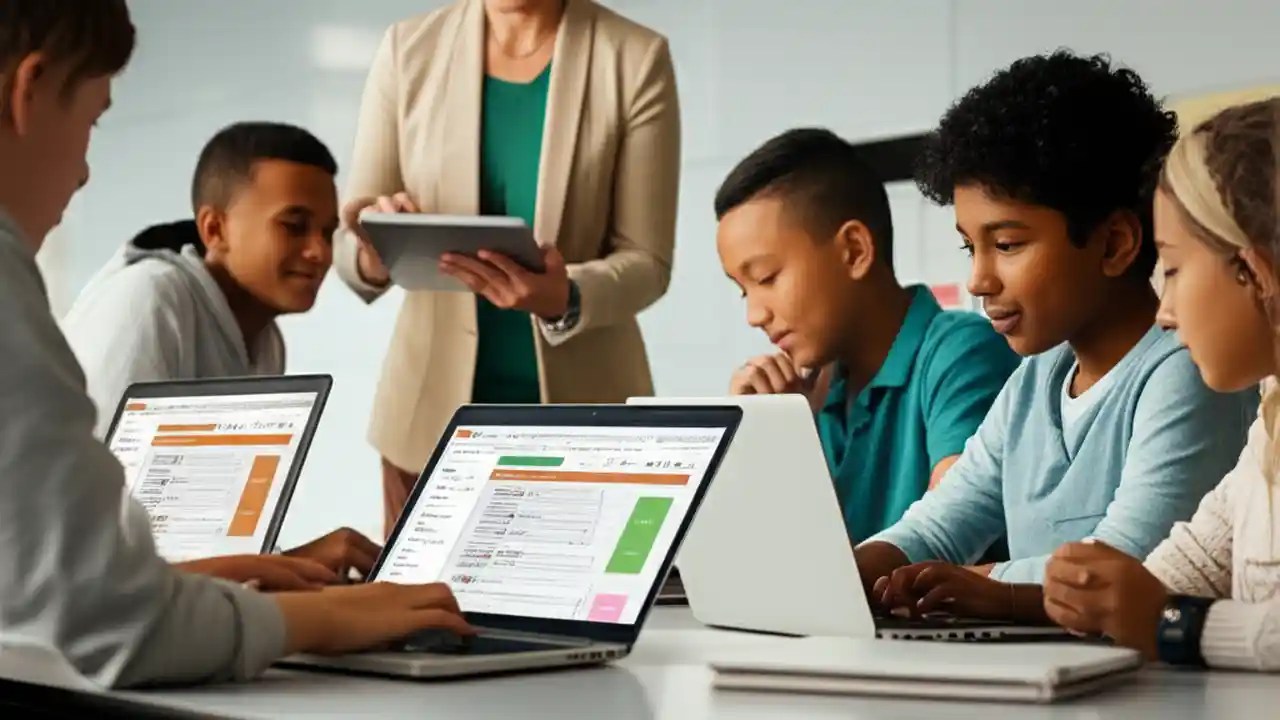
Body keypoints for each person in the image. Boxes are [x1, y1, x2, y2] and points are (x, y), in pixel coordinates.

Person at [0, 0, 470, 689]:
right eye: (92, 121)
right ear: (30, 90)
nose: (84, 172)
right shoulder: (145, 301)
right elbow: (100, 612)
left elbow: (61, 566)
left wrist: (252, 571)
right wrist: (332, 617)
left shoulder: (261, 337)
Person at [855, 51, 1259, 622]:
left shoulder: (1187, 369)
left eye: (1009, 244)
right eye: (971, 247)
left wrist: (991, 585)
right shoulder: (1033, 381)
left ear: (1115, 243)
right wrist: (851, 570)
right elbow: (941, 522)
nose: (979, 278)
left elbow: (1132, 564)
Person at [335, 0, 680, 537]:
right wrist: (375, 248)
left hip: (587, 421)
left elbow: (648, 261)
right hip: (425, 427)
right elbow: (353, 233)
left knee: (583, 615)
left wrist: (566, 295)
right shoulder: (408, 49)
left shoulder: (635, 57)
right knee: (424, 617)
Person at [62, 122, 383, 588]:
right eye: (294, 226)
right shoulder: (149, 302)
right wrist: (288, 567)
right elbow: (93, 558)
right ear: (215, 228)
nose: (318, 252)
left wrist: (291, 566)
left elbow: (203, 549)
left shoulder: (265, 339)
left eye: (327, 232)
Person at [1044, 98, 1280, 671]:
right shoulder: (1268, 425)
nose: (1163, 311)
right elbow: (1197, 559)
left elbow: (1167, 611)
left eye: (1172, 270)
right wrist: (1100, 596)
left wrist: (1172, 623)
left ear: (1255, 271)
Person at [716, 128, 1020, 544]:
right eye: (743, 289)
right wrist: (769, 440)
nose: (755, 314)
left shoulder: (961, 353)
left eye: (766, 277)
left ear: (855, 251)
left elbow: (945, 538)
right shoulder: (806, 392)